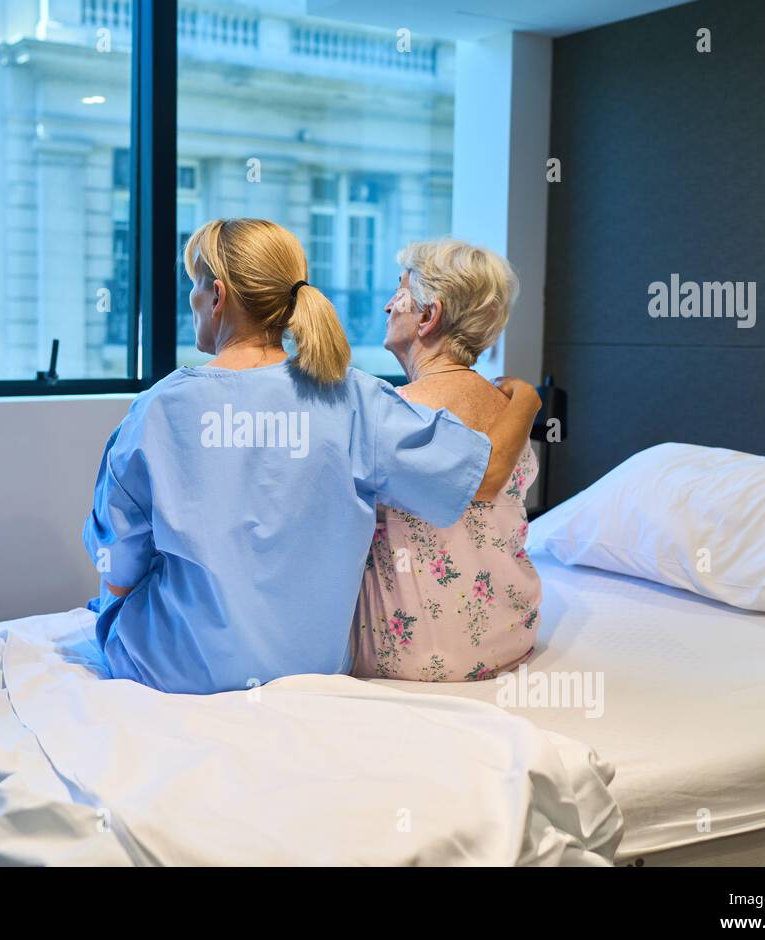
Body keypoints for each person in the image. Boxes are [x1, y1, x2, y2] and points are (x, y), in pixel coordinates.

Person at [83, 219, 541, 694]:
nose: (192, 301)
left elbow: (116, 560)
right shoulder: (357, 398)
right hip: (314, 667)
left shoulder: (158, 409)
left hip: (175, 669)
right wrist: (526, 397)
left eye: (194, 287)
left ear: (217, 297)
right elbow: (478, 476)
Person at [353, 240, 542, 682]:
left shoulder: (391, 414)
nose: (386, 306)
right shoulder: (510, 408)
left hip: (418, 652)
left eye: (398, 292)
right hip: (512, 633)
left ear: (428, 315)